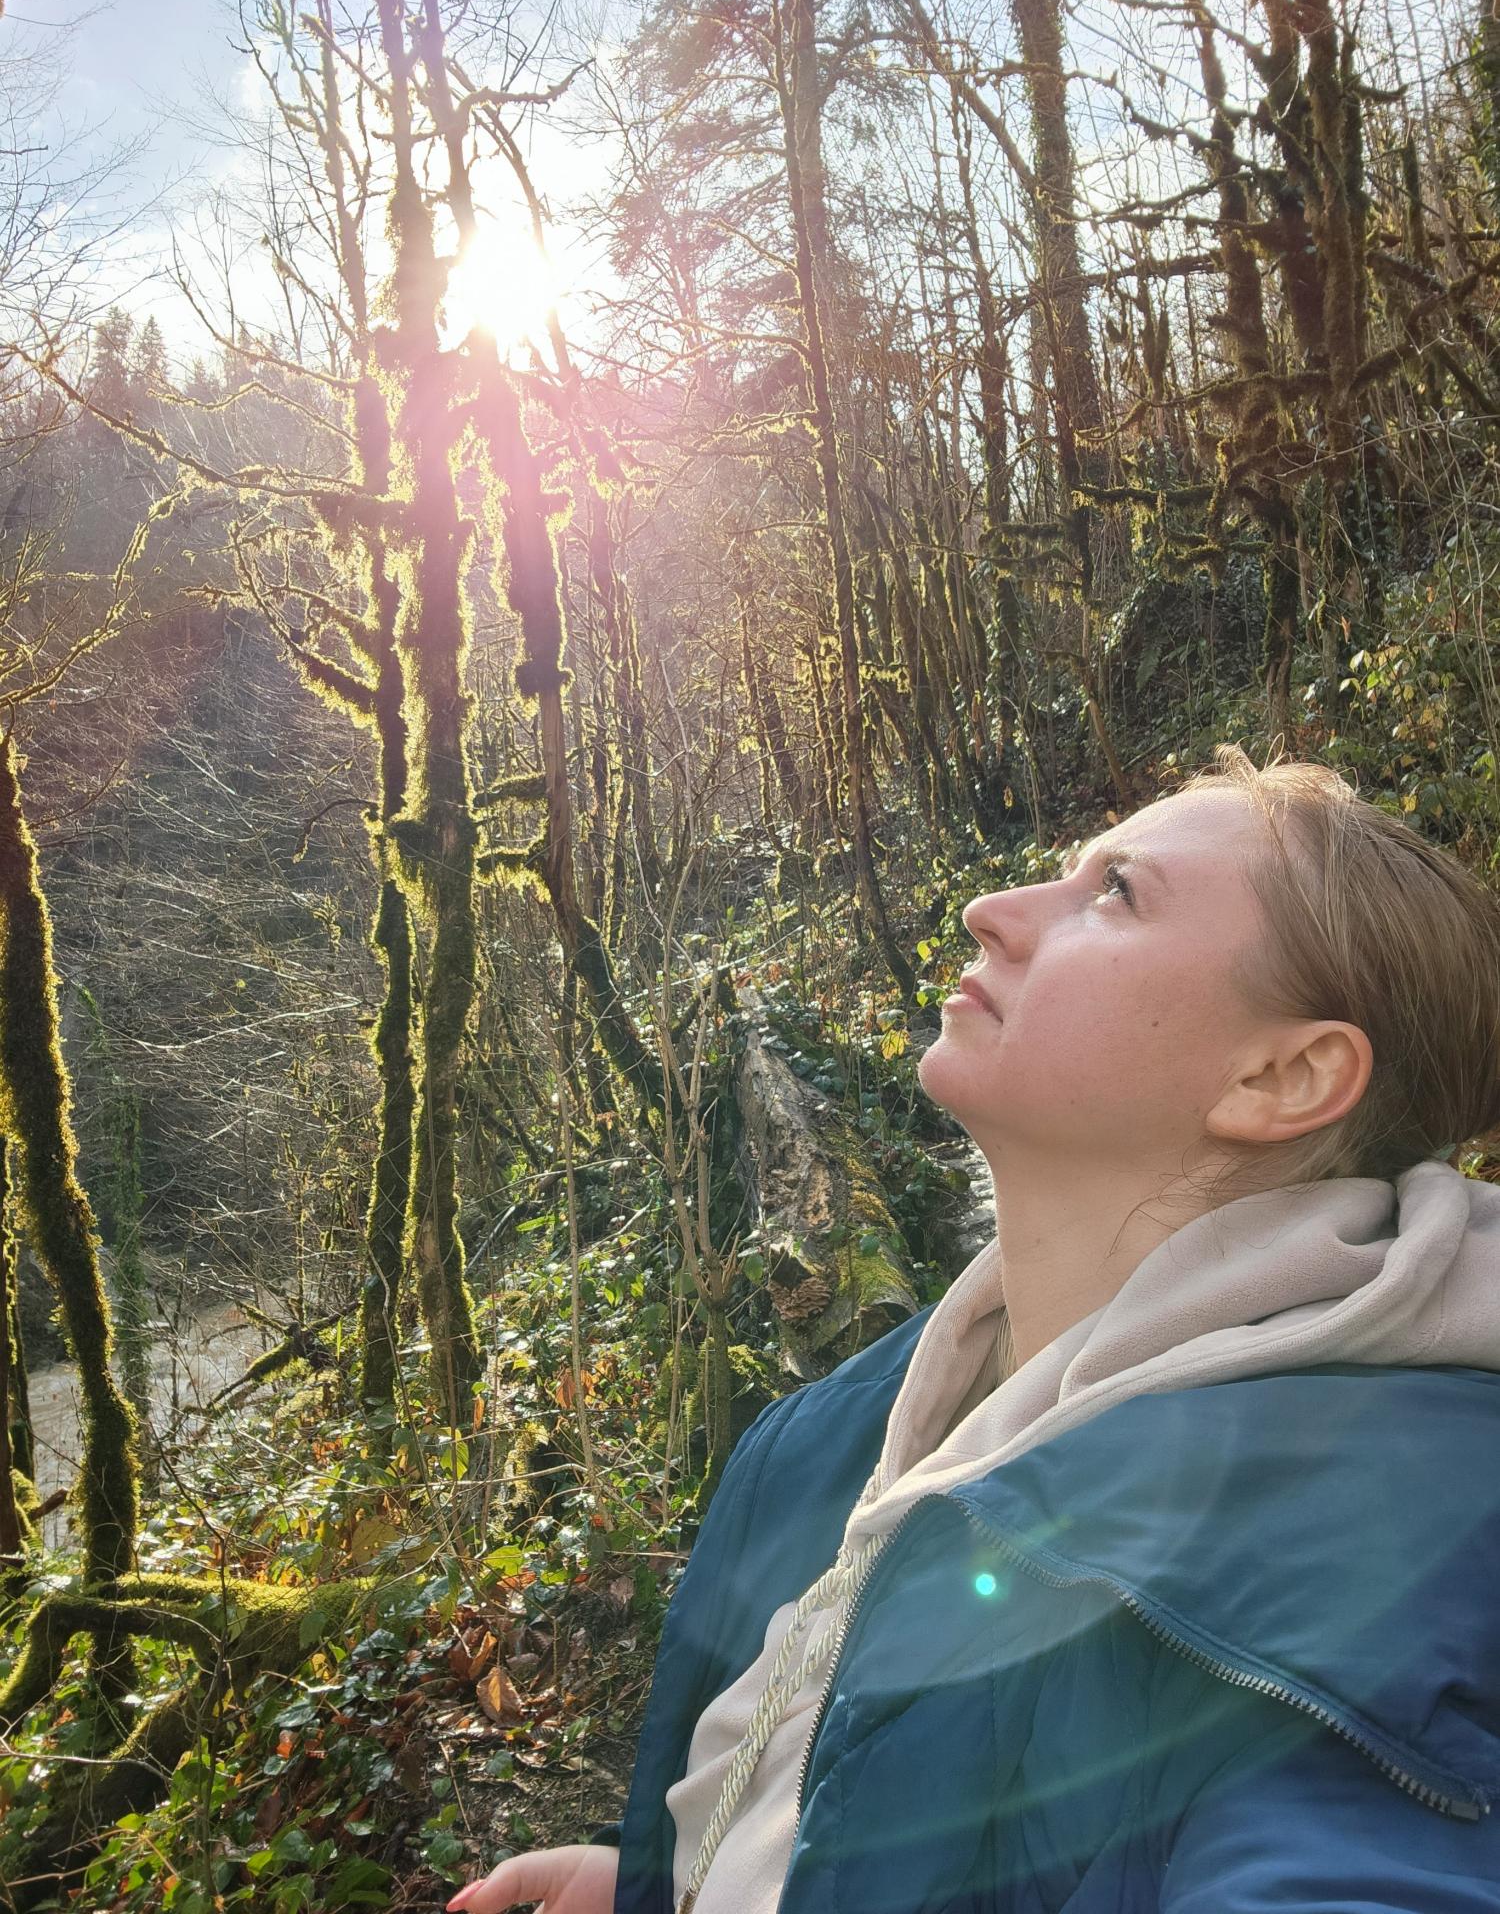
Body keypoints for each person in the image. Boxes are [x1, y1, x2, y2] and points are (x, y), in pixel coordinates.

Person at [449, 747, 1500, 1914]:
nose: (989, 910)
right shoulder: (836, 1438)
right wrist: (671, 1879)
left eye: (1118, 891)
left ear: (1283, 1075)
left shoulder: (1382, 1539)